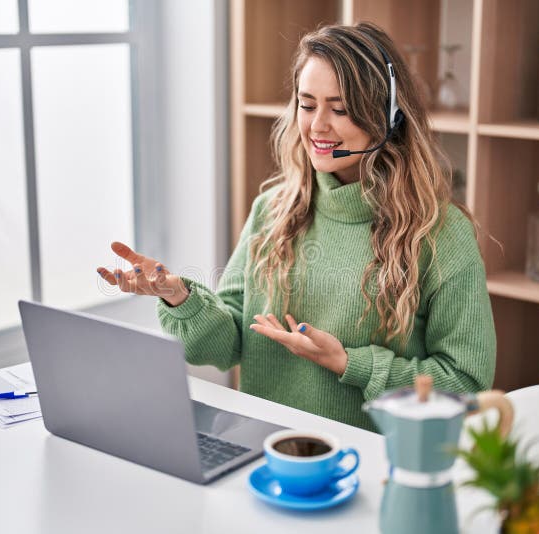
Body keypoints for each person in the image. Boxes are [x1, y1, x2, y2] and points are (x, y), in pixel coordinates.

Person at [97, 22, 495, 432]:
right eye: (307, 105)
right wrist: (180, 297)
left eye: (340, 109)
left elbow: (465, 383)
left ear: (389, 117)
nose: (317, 126)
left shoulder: (441, 234)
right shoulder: (273, 210)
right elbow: (227, 345)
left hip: (367, 458)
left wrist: (349, 363)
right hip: (263, 449)